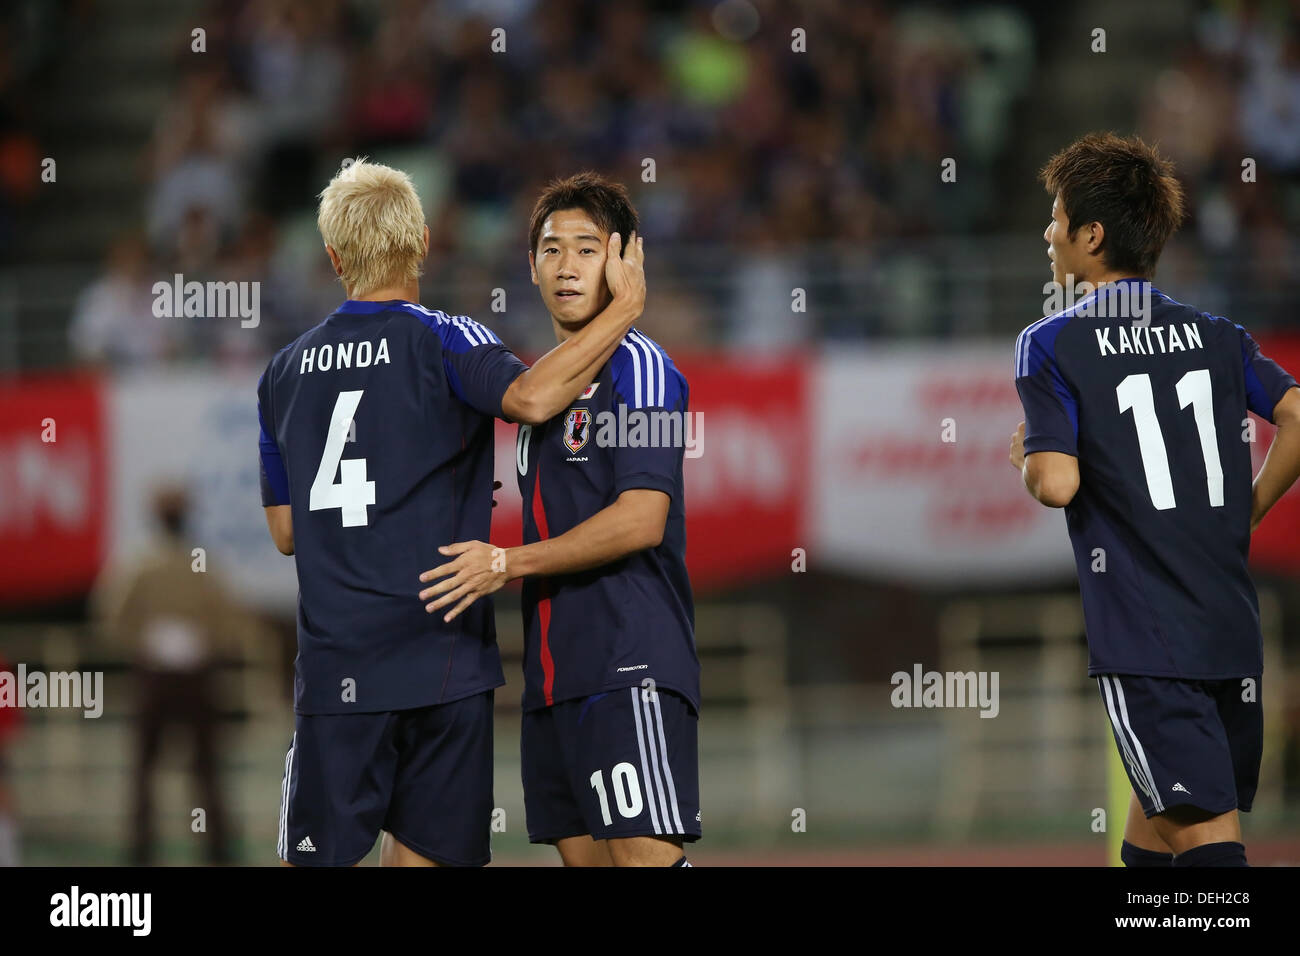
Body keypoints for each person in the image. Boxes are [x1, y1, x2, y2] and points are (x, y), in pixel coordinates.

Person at [259, 159, 644, 867]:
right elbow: (531, 399)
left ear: (333, 256)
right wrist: (622, 311)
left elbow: (285, 532)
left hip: (340, 663)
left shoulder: (283, 371)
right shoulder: (446, 339)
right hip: (444, 659)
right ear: (423, 241)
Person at [1009, 132, 1300, 867]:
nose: (1049, 233)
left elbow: (1058, 484)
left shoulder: (1051, 343)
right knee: (1156, 832)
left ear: (1093, 235)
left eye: (1057, 216)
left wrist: (1026, 458)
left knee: (1206, 844)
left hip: (1148, 637)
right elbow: (1298, 415)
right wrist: (1251, 507)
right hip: (1230, 628)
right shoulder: (1218, 335)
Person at [419, 173, 700, 867]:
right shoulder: (544, 384)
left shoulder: (644, 369)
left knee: (644, 861)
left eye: (586, 248)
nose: (567, 265)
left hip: (627, 661)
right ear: (531, 266)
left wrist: (507, 562)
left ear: (624, 260)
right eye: (551, 250)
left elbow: (642, 520)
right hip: (555, 679)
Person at [94, 486, 244, 865]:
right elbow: (228, 623)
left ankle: (142, 852)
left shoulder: (140, 564)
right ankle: (217, 852)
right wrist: (200, 644)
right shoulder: (202, 564)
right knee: (205, 772)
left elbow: (111, 617)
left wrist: (148, 642)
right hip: (196, 677)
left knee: (146, 771)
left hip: (155, 677)